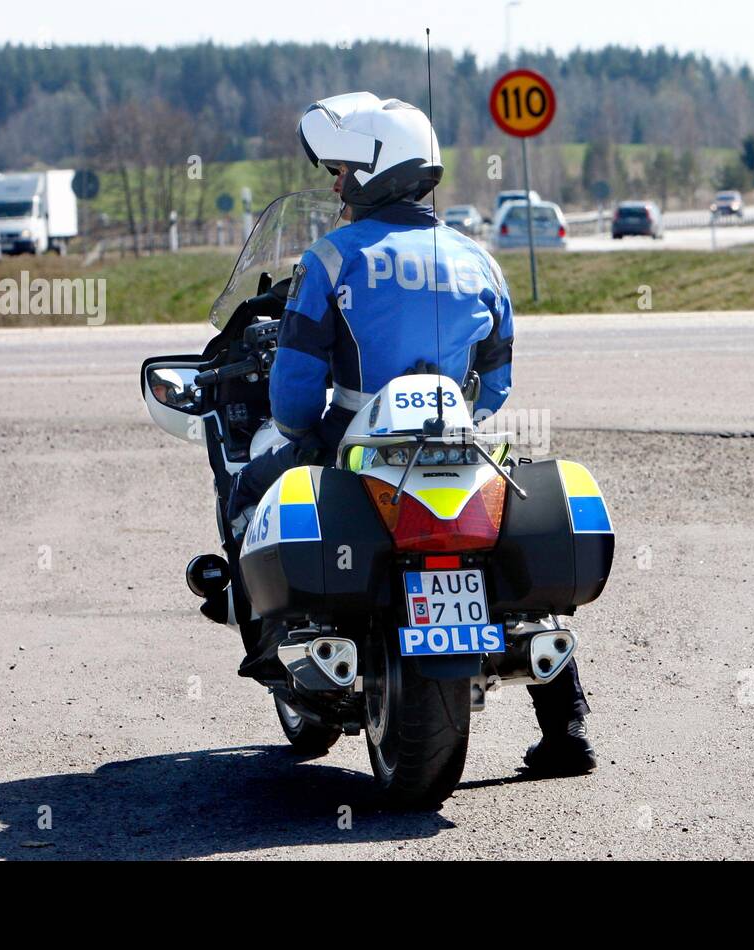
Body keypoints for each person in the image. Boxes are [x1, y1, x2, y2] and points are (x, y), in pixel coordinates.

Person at [227, 91, 595, 776]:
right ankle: (566, 724)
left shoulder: (330, 259)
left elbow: (296, 394)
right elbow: (499, 380)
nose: (335, 184)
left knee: (250, 485)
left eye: (341, 170)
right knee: (506, 549)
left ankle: (280, 641)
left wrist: (303, 433)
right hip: (453, 433)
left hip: (354, 429)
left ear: (374, 169)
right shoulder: (480, 261)